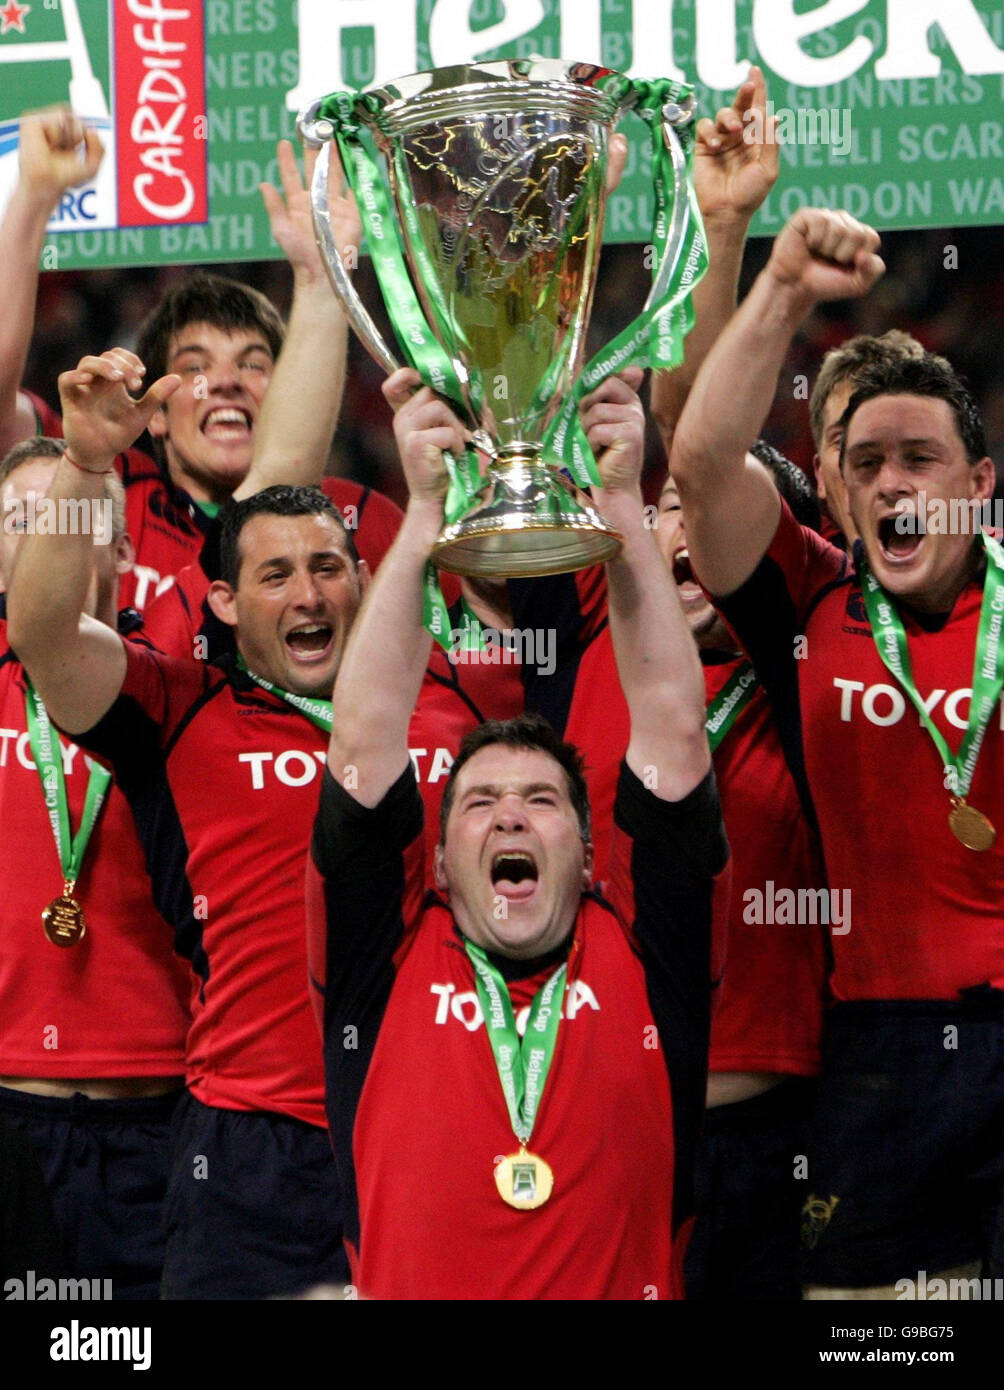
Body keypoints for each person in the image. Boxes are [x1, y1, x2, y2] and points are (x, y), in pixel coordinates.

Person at [306, 363, 729, 1300]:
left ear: (588, 858)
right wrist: (421, 517)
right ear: (441, 869)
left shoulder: (647, 949)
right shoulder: (383, 958)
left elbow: (670, 717)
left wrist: (621, 501)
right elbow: (363, 741)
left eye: (543, 801)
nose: (507, 813)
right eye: (478, 801)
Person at [669, 205, 1004, 1298]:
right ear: (843, 493)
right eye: (867, 463)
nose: (895, 482)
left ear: (976, 484)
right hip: (881, 1050)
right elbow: (704, 455)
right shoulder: (807, 603)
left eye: (922, 458)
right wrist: (777, 288)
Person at [6, 349, 365, 1298]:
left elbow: (280, 502)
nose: (307, 593)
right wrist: (86, 465)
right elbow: (42, 631)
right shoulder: (176, 697)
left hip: (326, 1117)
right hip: (197, 1136)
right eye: (277, 575)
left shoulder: (425, 701)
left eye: (330, 568)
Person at [510, 435, 826, 1300]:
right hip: (600, 1116)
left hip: (776, 1134)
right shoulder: (573, 660)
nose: (691, 532)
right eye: (673, 508)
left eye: (717, 518)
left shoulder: (807, 688)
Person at [0, 117, 400, 621]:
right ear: (156, 414)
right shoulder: (106, 492)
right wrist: (33, 197)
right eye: (195, 368)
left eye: (253, 364)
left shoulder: (363, 521)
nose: (226, 381)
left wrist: (326, 276)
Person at [0, 435, 189, 1299]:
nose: (45, 538)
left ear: (122, 547)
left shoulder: (183, 690)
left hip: (163, 1121)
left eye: (70, 518)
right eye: (21, 521)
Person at [808, 329, 928, 547]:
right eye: (843, 439)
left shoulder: (994, 566)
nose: (886, 480)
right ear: (821, 476)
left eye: (908, 441)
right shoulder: (793, 570)